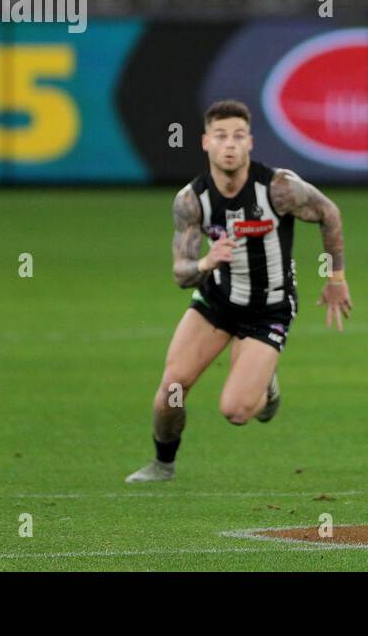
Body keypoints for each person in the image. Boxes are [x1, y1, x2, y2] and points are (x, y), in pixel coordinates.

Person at [125, 100, 353, 483]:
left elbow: (328, 212)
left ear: (249, 142)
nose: (229, 144)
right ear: (205, 143)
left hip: (269, 309)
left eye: (237, 136)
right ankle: (163, 464)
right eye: (220, 136)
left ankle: (265, 379)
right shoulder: (190, 200)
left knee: (236, 411)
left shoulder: (278, 189)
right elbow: (181, 274)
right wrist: (205, 263)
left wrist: (336, 277)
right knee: (171, 390)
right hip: (216, 303)